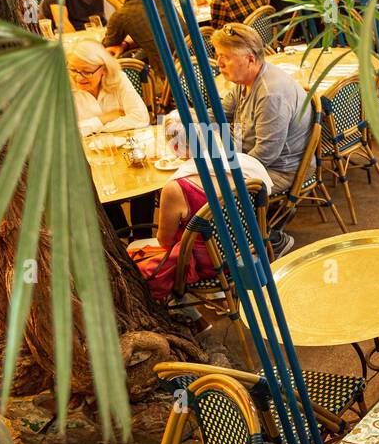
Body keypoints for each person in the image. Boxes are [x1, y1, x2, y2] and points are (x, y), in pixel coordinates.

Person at [130, 118, 274, 301]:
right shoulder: (245, 167)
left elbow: (165, 240)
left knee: (135, 252)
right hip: (250, 248)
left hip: (211, 264)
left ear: (175, 148)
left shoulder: (176, 188)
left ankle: (193, 317)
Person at [212, 23, 311, 195]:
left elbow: (266, 153)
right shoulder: (246, 81)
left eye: (226, 57)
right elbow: (219, 114)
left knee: (207, 190)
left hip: (280, 171)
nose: (219, 63)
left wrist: (226, 170)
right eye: (218, 55)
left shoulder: (270, 94)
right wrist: (181, 121)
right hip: (248, 157)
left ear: (250, 59)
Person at [68, 40, 149, 134]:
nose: (78, 78)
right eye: (73, 70)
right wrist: (104, 119)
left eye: (86, 72)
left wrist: (95, 129)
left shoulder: (118, 79)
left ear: (104, 69)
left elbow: (141, 118)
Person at [100, 0, 164, 78]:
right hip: (191, 64)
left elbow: (107, 47)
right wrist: (125, 44)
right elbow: (152, 37)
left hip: (166, 75)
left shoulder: (122, 15)